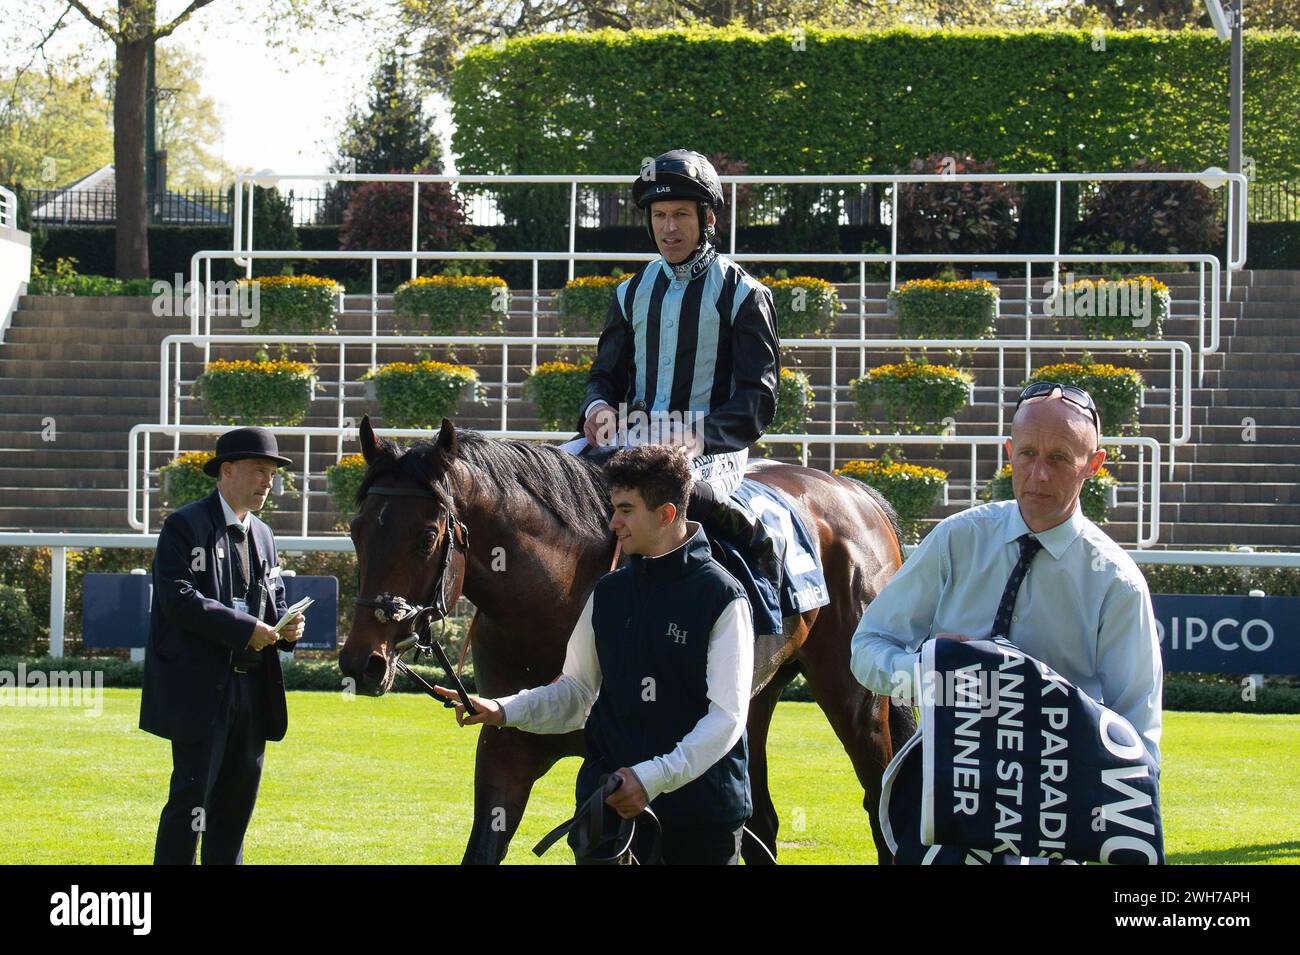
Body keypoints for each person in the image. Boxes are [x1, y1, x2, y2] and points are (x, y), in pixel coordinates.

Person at [437, 444, 755, 864]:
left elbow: (727, 717)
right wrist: (500, 709)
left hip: (698, 820)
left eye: (625, 510)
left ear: (665, 515)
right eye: (613, 508)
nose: (612, 523)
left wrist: (651, 778)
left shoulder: (723, 596)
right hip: (607, 813)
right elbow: (576, 691)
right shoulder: (608, 593)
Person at [850, 382, 1163, 766]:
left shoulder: (1116, 581)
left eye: (1059, 458)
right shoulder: (956, 539)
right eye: (1028, 453)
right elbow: (868, 646)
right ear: (1010, 453)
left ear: (1094, 465)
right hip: (949, 786)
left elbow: (1138, 737)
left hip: (1057, 800)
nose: (1039, 474)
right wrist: (931, 675)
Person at [569, 148, 783, 598]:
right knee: (550, 474)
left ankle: (760, 562)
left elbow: (756, 403)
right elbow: (603, 374)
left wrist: (692, 436)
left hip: (713, 445)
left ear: (708, 219)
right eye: (660, 215)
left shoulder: (746, 294)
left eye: (681, 214)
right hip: (635, 435)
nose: (669, 228)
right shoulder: (630, 292)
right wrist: (597, 405)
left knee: (670, 485)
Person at [140, 427, 307, 864]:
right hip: (204, 692)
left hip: (253, 691)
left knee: (235, 809)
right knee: (190, 804)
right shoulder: (184, 525)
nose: (267, 481)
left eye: (271, 473)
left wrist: (286, 627)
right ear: (227, 471)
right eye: (259, 470)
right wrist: (244, 628)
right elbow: (178, 598)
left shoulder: (265, 535)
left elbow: (273, 599)